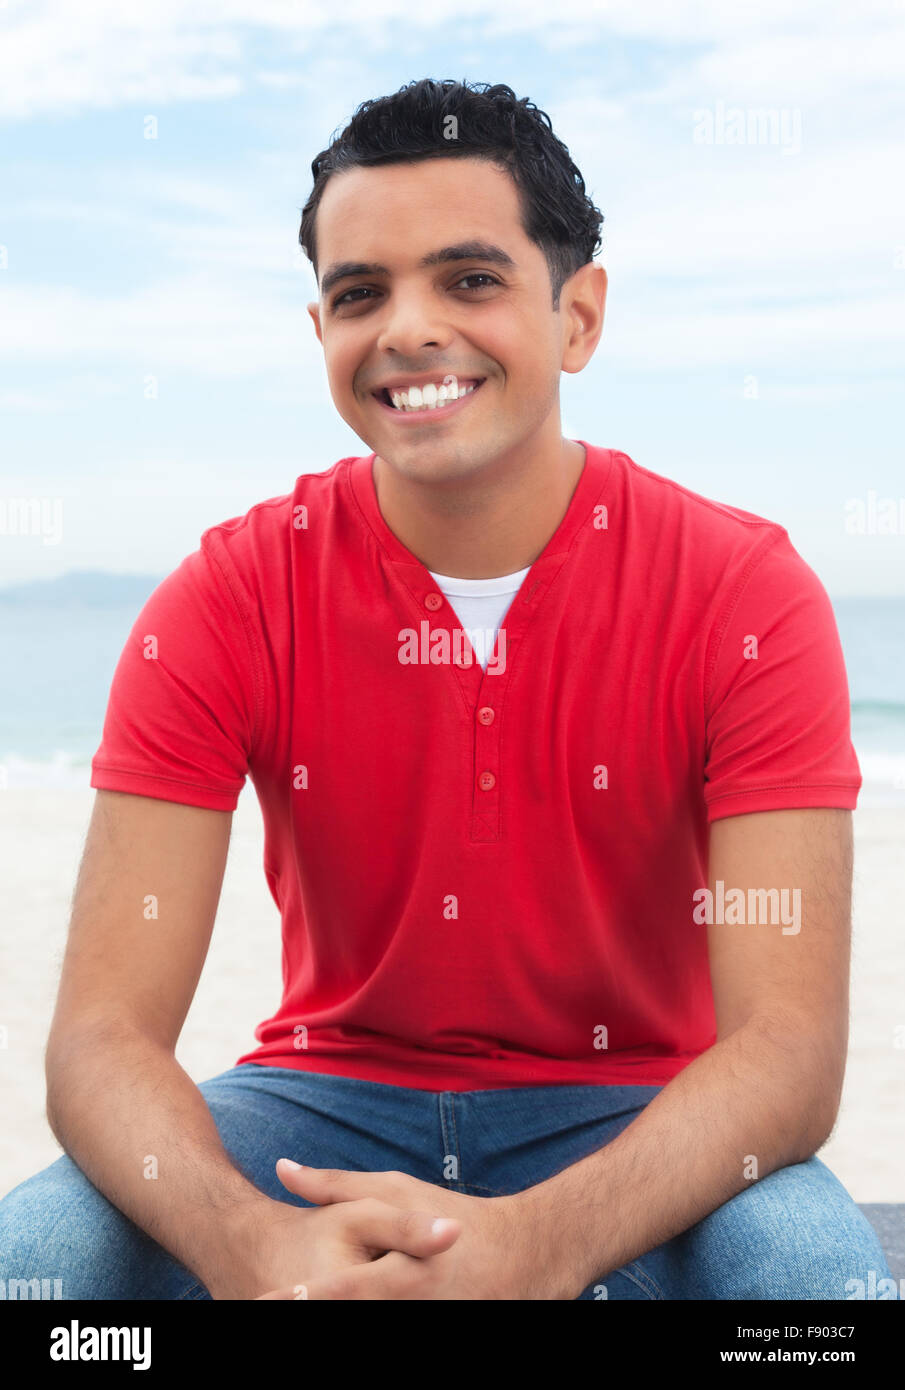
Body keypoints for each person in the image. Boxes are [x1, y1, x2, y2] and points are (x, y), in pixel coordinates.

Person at [0, 78, 894, 1302]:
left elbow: (787, 1055)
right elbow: (98, 1040)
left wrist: (535, 1248)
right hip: (319, 1104)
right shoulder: (226, 596)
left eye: (469, 280)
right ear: (317, 328)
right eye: (358, 292)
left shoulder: (743, 592)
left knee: (817, 1288)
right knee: (39, 1259)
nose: (408, 329)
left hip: (636, 1109)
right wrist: (254, 1247)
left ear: (576, 316)